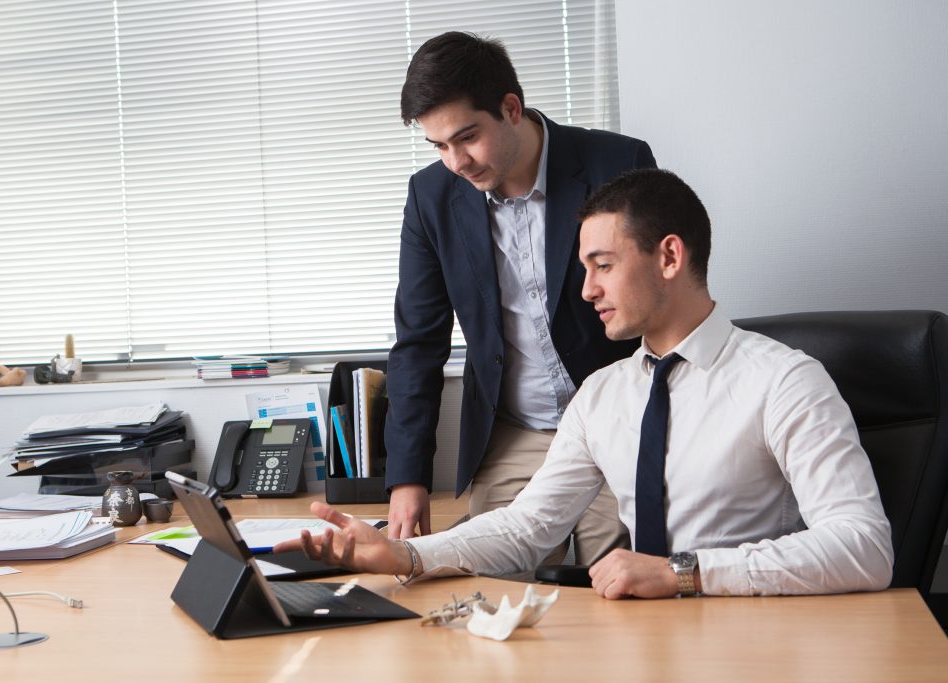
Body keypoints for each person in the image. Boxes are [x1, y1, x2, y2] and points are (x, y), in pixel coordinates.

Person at [277, 168, 894, 598]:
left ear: (669, 258)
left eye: (603, 265)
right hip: (646, 642)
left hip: (758, 643)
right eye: (584, 268)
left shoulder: (785, 381)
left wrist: (683, 573)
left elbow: (864, 548)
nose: (586, 289)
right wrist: (408, 555)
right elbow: (527, 528)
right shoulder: (602, 396)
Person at [385, 31, 657, 569]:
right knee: (496, 589)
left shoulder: (617, 162)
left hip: (616, 421)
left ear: (511, 108)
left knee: (621, 588)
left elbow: (659, 305)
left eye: (467, 138)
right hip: (515, 432)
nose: (456, 161)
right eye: (439, 146)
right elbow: (418, 342)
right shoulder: (430, 197)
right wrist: (408, 478)